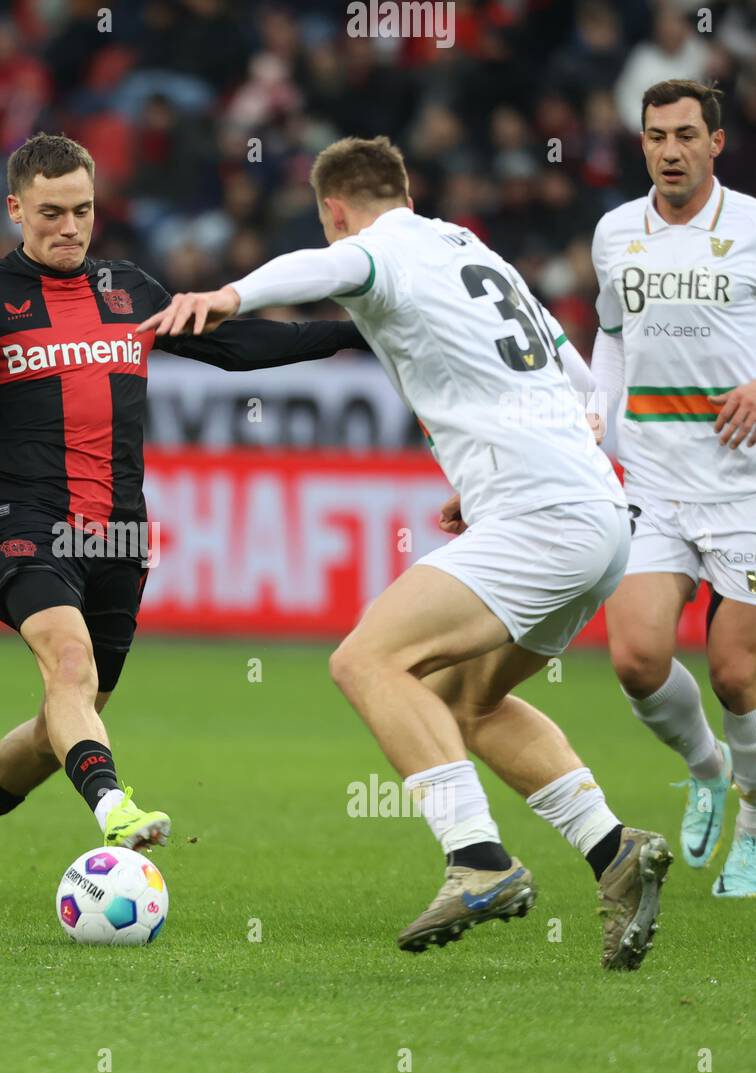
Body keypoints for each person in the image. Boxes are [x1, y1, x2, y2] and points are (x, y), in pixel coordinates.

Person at [143, 134, 671, 970]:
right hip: (595, 515)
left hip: (543, 515)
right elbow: (581, 387)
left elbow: (329, 272)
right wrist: (508, 468)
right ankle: (615, 853)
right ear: (407, 188)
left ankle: (477, 858)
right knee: (465, 704)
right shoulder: (471, 249)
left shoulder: (374, 250)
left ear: (335, 211)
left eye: (332, 227)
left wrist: (231, 293)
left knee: (367, 661)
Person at [0, 132, 371, 918]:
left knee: (64, 722)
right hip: (22, 520)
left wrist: (360, 330)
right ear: (15, 208)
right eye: (51, 212)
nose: (70, 226)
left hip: (117, 533)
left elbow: (244, 348)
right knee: (68, 665)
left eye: (82, 209)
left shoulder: (130, 289)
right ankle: (114, 810)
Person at [593, 79, 756, 896]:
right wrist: (596, 419)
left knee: (736, 673)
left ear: (716, 143)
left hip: (745, 487)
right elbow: (612, 336)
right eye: (656, 135)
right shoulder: (616, 233)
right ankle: (706, 765)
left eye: (687, 134)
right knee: (637, 657)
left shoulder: (754, 227)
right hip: (654, 477)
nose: (670, 150)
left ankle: (755, 819)